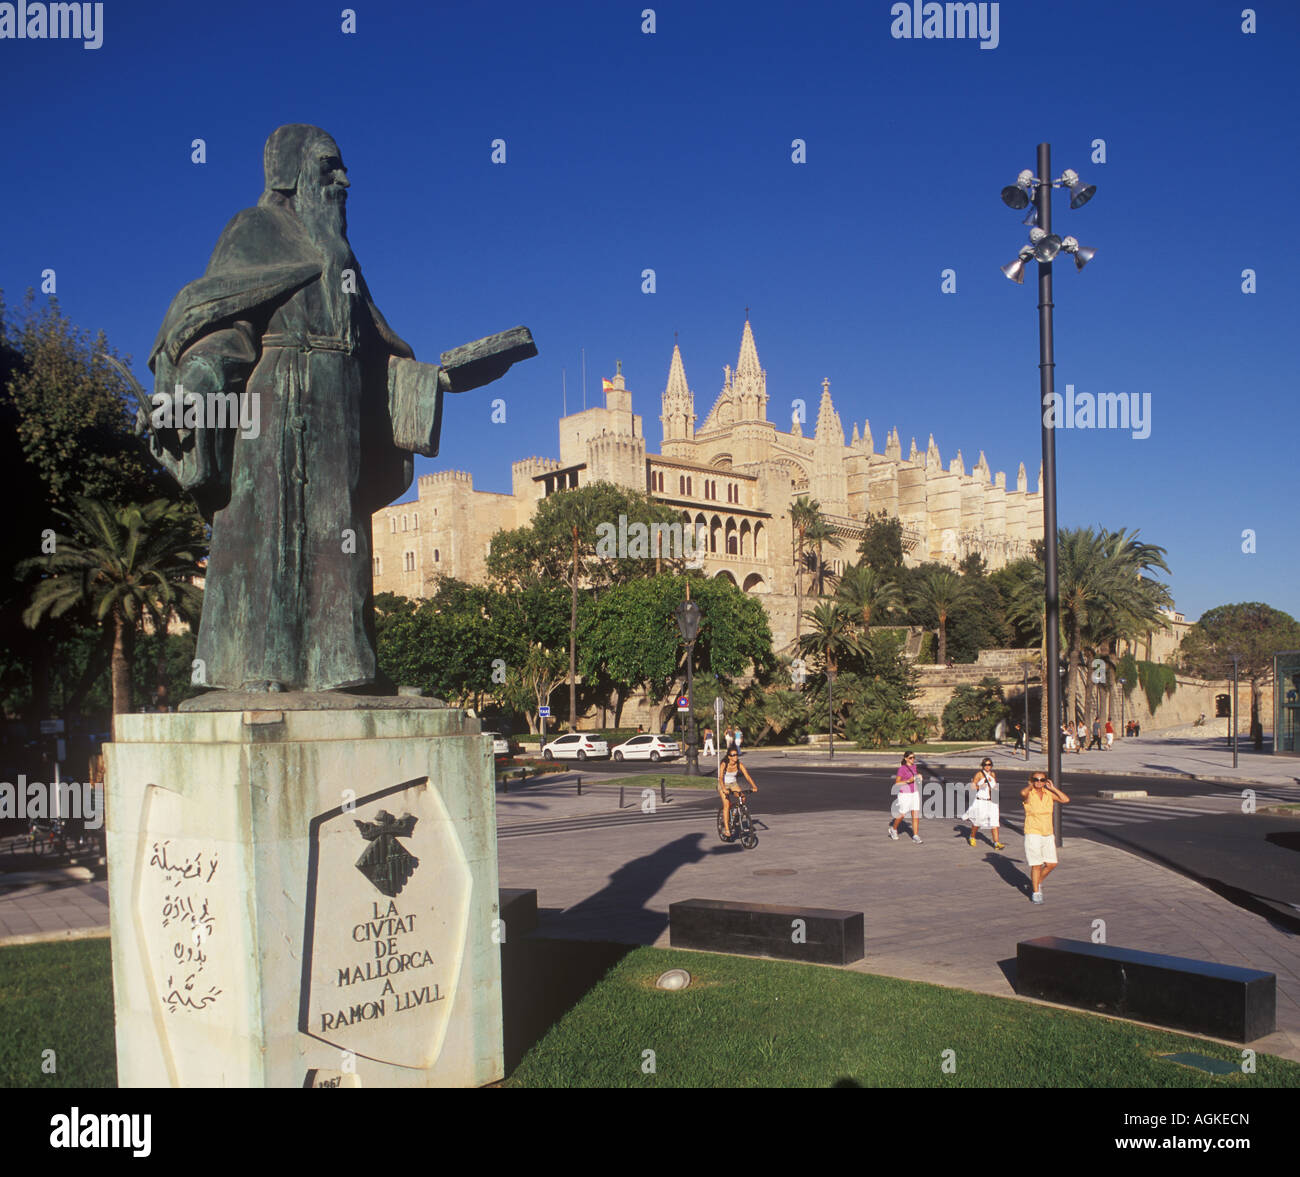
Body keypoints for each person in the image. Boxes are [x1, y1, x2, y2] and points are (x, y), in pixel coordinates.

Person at [1021, 772, 1070, 903]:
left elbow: (1065, 800)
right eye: (1036, 779)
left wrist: (1053, 788)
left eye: (1042, 780)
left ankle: (1036, 882)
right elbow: (1022, 794)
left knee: (1052, 863)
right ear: (1031, 780)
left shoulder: (1049, 794)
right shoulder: (1029, 794)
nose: (1039, 782)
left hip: (1048, 833)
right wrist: (1030, 786)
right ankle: (1036, 892)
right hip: (1033, 832)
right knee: (1036, 865)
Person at [717, 746, 757, 840]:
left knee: (742, 798)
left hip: (733, 784)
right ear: (729, 756)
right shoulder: (724, 763)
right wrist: (723, 789)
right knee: (726, 804)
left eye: (736, 755)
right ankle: (727, 829)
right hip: (723, 784)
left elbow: (747, 776)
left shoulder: (739, 764)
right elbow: (720, 778)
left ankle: (736, 816)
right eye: (733, 755)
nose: (735, 757)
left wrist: (754, 786)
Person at [964, 757, 1004, 849]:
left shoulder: (993, 774)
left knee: (994, 822)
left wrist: (995, 790)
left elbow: (994, 786)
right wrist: (980, 786)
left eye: (989, 764)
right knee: (978, 821)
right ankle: (972, 836)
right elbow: (972, 787)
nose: (987, 766)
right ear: (982, 765)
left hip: (992, 801)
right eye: (985, 765)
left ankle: (996, 843)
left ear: (991, 765)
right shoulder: (979, 774)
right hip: (982, 801)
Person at [888, 751, 923, 843]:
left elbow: (915, 777)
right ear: (906, 758)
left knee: (915, 814)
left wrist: (919, 776)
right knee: (902, 814)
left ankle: (915, 836)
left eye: (914, 757)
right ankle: (894, 829)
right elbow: (897, 783)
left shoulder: (914, 767)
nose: (913, 759)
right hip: (905, 793)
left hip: (914, 792)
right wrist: (908, 781)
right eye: (911, 758)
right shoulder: (902, 769)